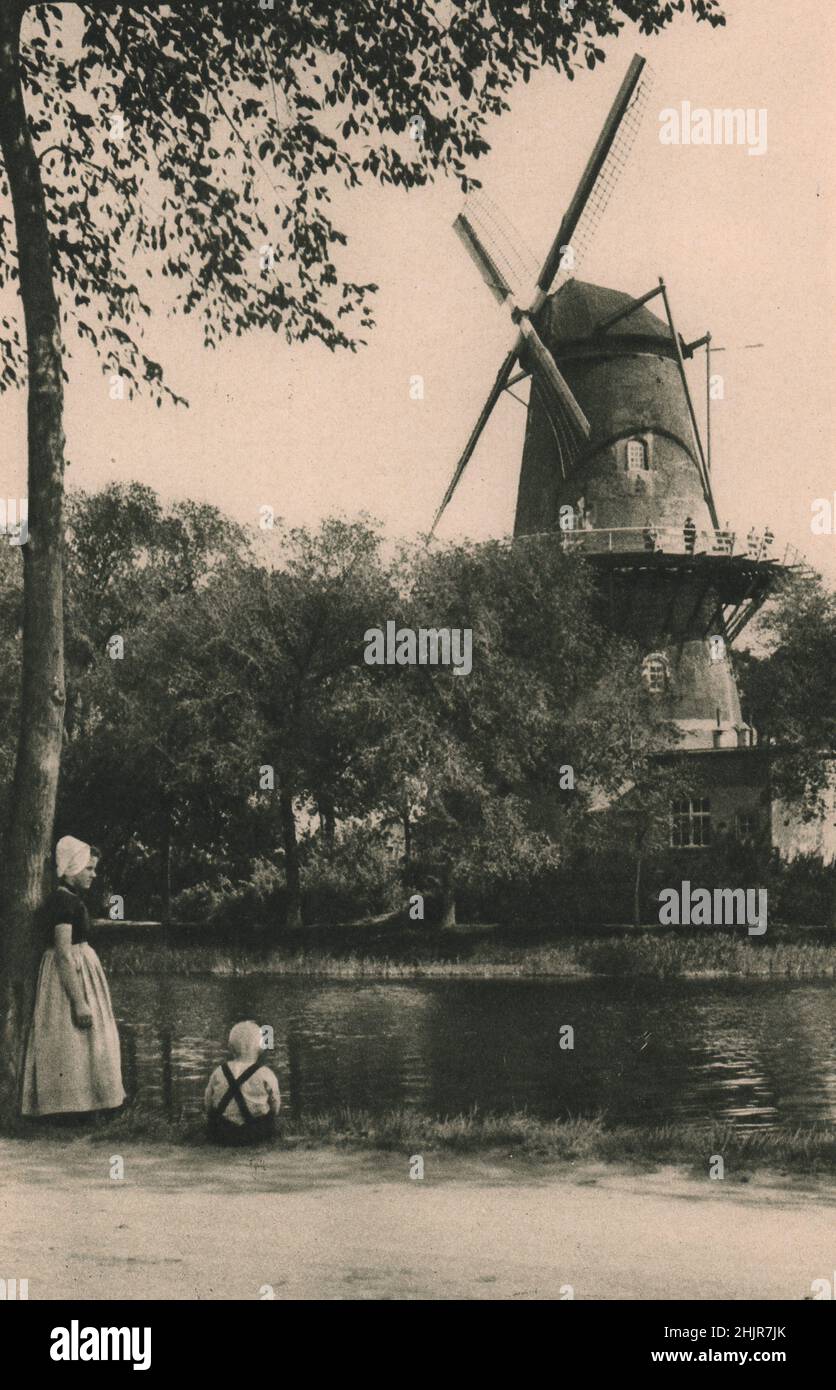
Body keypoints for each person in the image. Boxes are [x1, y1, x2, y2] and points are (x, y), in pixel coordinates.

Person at [20, 837, 125, 1118]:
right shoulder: (64, 903)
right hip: (69, 974)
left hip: (75, 969)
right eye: (89, 868)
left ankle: (84, 1106)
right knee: (74, 1038)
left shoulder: (67, 900)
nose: (94, 874)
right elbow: (63, 953)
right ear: (71, 868)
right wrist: (79, 1001)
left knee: (79, 1042)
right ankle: (73, 1109)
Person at [205, 1020, 280, 1147]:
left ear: (230, 1048)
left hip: (222, 1132)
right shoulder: (265, 1073)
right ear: (261, 1048)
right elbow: (275, 1104)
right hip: (257, 1133)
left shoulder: (219, 1071)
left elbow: (208, 1102)